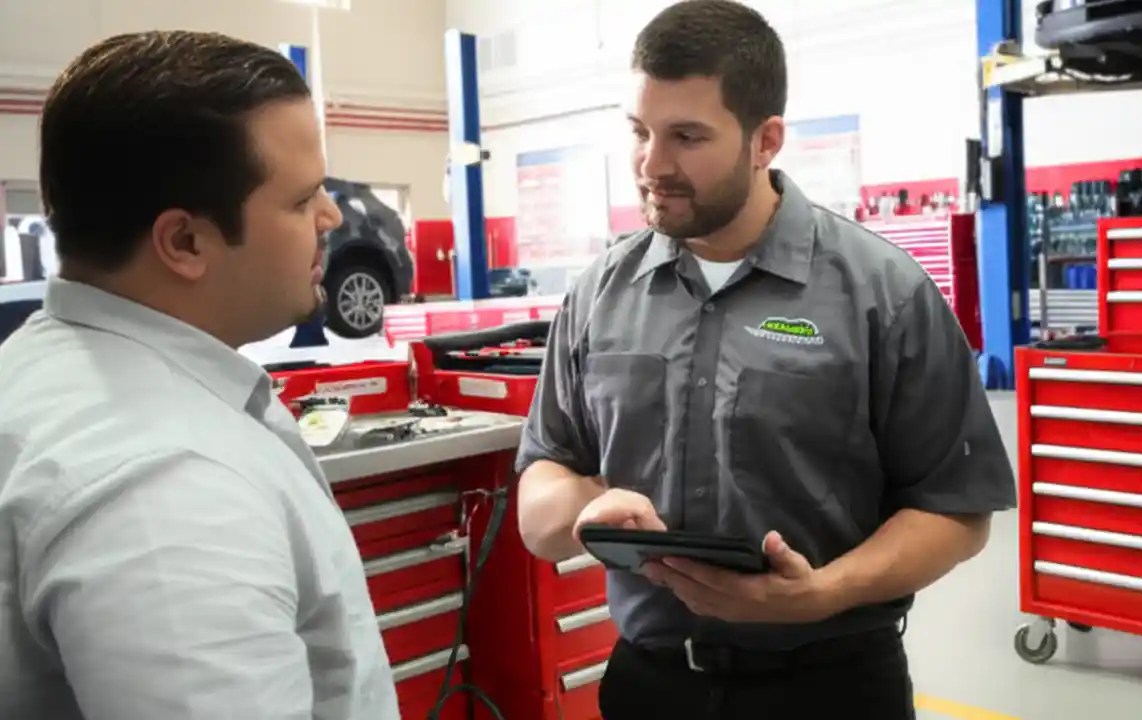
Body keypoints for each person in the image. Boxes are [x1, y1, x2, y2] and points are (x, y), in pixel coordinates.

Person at [514, 2, 1017, 718]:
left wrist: (826, 590)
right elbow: (541, 487)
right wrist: (587, 509)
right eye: (640, 133)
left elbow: (957, 511)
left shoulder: (884, 294)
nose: (653, 165)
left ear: (765, 140)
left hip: (830, 689)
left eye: (687, 136)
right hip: (649, 685)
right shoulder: (601, 293)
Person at [0, 31, 397, 719]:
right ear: (185, 242)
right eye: (302, 201)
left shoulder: (40, 370)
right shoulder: (167, 489)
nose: (332, 217)